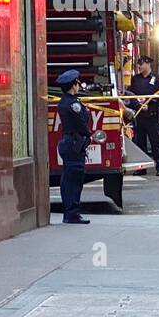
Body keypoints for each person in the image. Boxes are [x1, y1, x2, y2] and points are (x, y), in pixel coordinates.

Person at [56, 70, 91, 225]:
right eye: (77, 83)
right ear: (73, 85)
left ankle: (69, 212)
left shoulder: (64, 102)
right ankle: (72, 213)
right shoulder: (74, 104)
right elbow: (82, 123)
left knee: (68, 179)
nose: (79, 86)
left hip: (68, 143)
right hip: (74, 144)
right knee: (74, 179)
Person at [126, 55, 159, 175]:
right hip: (139, 115)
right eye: (138, 64)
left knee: (155, 141)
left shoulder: (157, 78)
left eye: (141, 64)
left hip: (151, 115)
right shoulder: (135, 79)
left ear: (148, 64)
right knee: (140, 142)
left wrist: (151, 102)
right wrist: (137, 103)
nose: (139, 66)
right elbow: (130, 94)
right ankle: (141, 167)